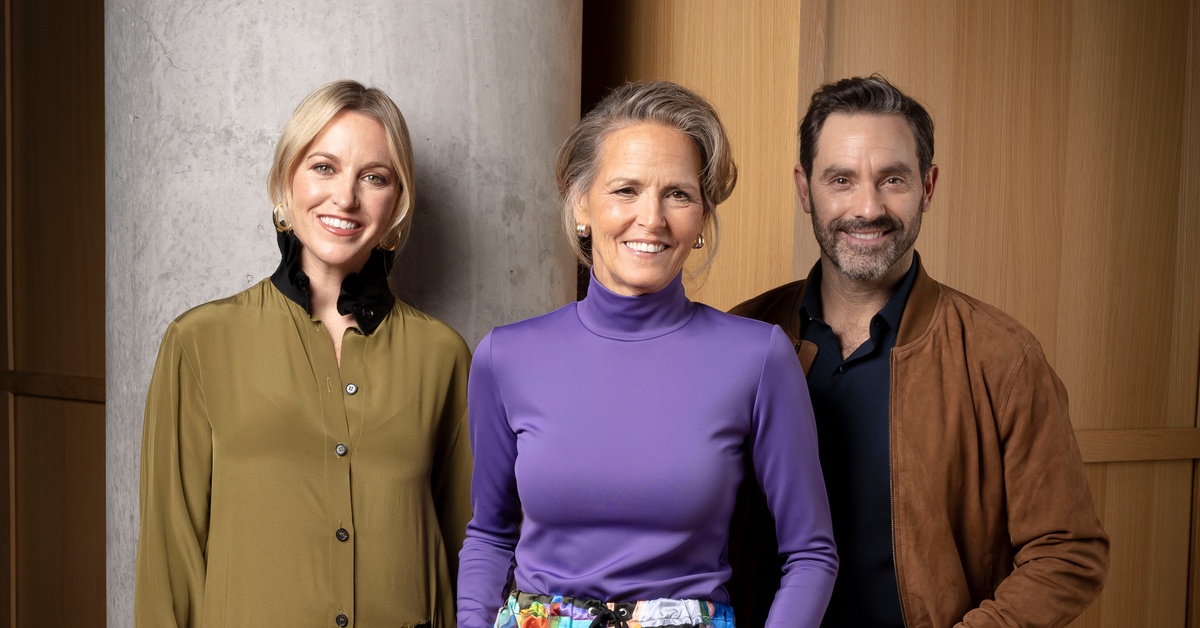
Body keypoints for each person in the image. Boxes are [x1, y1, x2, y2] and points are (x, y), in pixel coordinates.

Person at [728, 75, 1109, 627]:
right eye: (841, 179)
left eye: (893, 180)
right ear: (804, 188)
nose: (868, 207)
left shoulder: (1002, 357)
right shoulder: (741, 336)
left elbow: (1069, 551)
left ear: (927, 187)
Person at [456, 81, 838, 628]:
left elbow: (810, 555)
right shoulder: (505, 358)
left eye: (678, 194)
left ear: (702, 217)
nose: (652, 218)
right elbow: (489, 536)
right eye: (626, 190)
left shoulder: (757, 358)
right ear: (581, 201)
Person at [135, 80, 473, 627]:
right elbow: (168, 562)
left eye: (374, 177)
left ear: (398, 203)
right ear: (284, 183)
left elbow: (470, 552)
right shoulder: (200, 342)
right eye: (324, 167)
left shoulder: (442, 355)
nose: (346, 197)